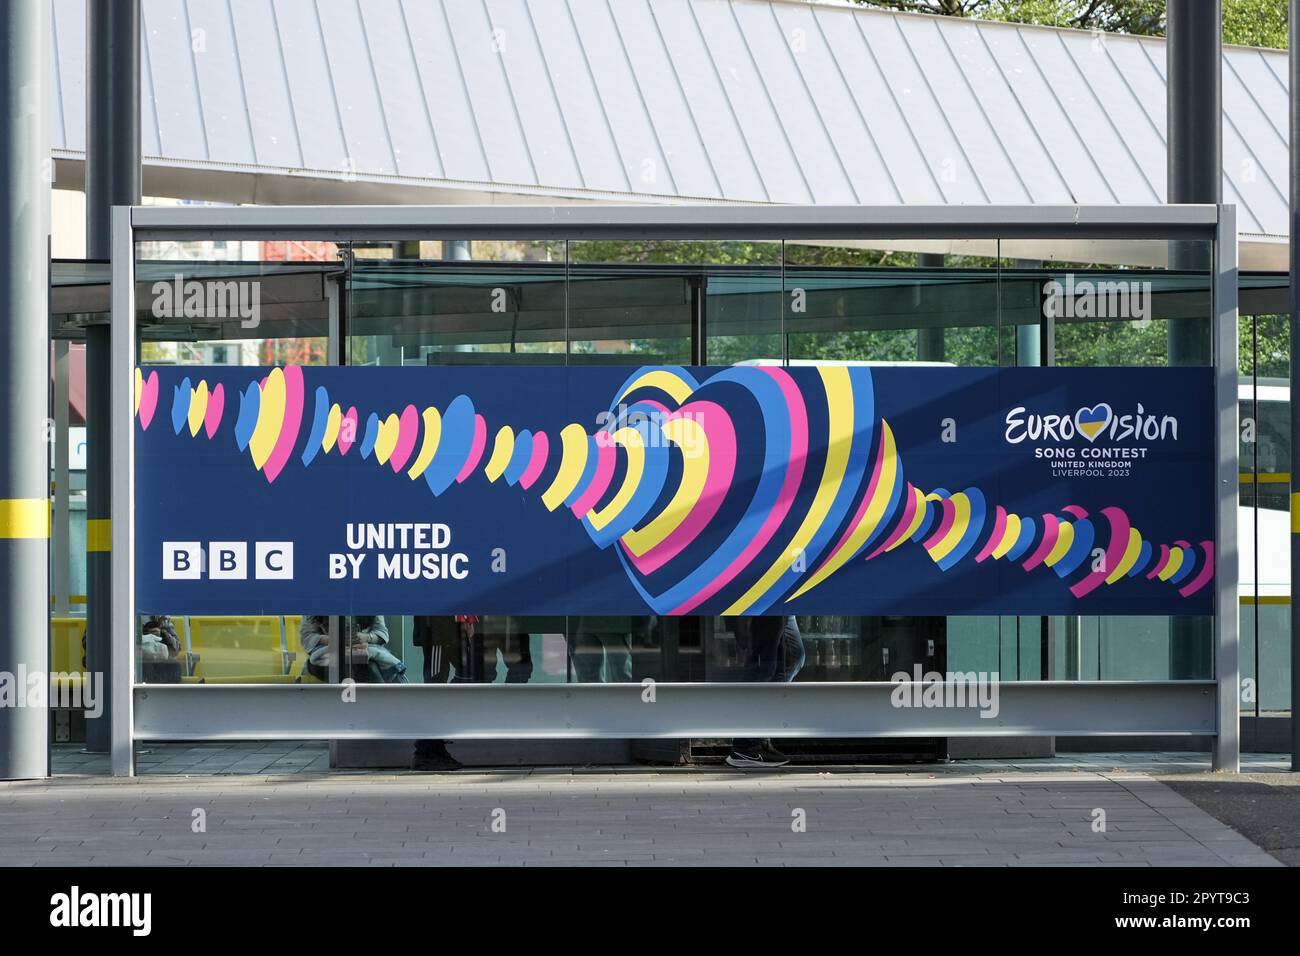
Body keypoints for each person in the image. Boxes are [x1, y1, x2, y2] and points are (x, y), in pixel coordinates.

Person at [724, 615, 805, 769]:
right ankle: (746, 744)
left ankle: (756, 737)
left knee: (791, 657)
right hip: (767, 596)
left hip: (780, 596)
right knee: (763, 666)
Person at [300, 615, 407, 684]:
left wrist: (366, 637)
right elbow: (307, 637)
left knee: (371, 668)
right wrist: (334, 640)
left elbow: (382, 632)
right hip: (327, 653)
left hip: (363, 652)